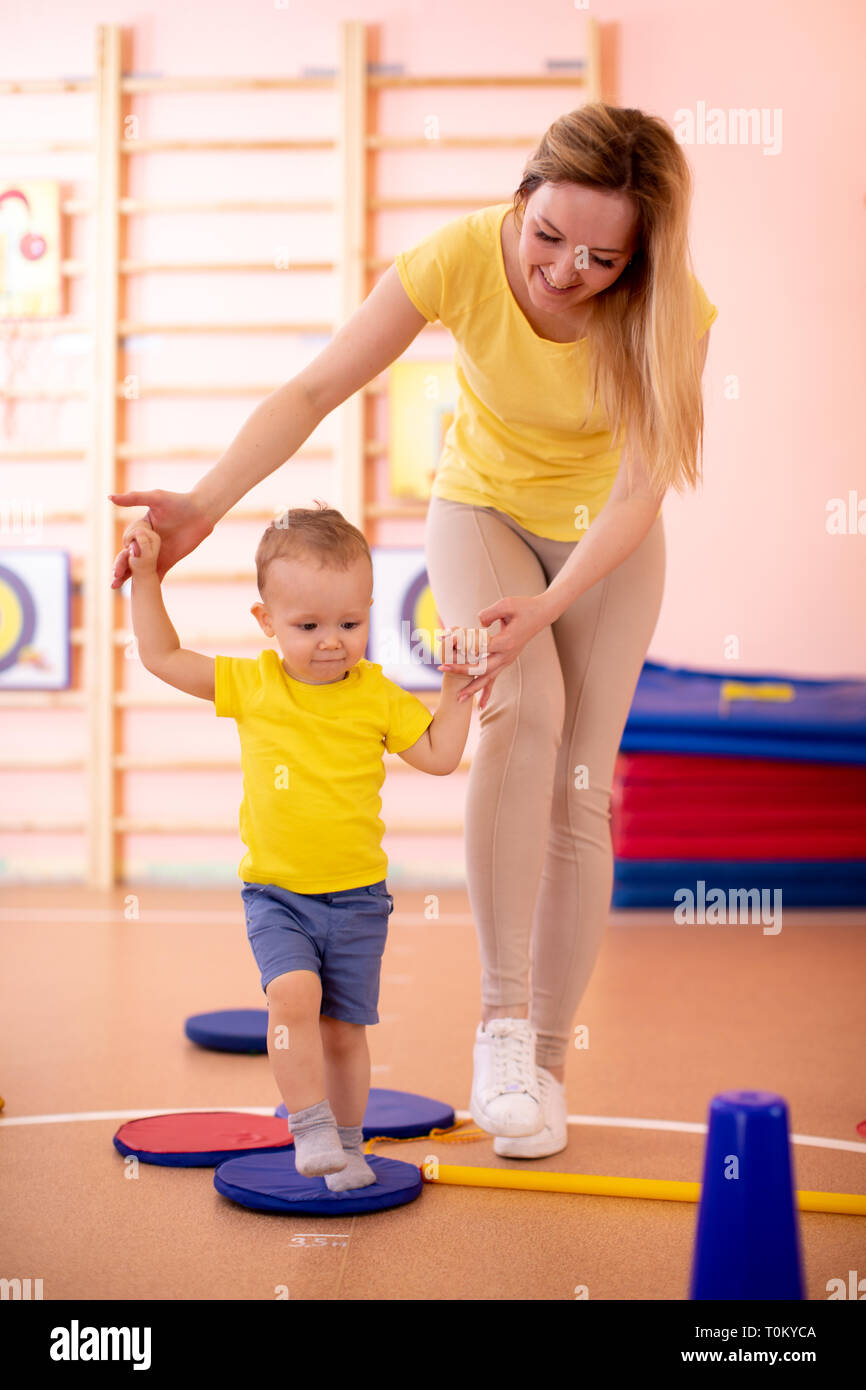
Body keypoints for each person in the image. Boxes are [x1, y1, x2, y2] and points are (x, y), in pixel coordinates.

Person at [111, 102, 717, 1160]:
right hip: (479, 508)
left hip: (604, 545)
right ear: (519, 196)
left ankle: (543, 1064)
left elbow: (635, 495)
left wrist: (547, 605)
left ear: (637, 255)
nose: (565, 270)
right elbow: (314, 386)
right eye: (546, 236)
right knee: (517, 712)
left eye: (599, 256)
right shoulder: (454, 256)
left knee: (581, 787)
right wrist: (203, 507)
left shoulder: (670, 309)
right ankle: (498, 1025)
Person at [122, 502, 477, 1188]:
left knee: (344, 1031)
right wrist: (145, 580)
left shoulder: (375, 695)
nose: (331, 641)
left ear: (369, 611)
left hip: (358, 900)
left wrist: (456, 685)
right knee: (291, 996)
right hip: (278, 894)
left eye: (349, 623)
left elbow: (437, 755)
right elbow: (161, 656)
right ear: (267, 623)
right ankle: (310, 1126)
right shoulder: (253, 684)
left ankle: (346, 1142)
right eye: (307, 626)